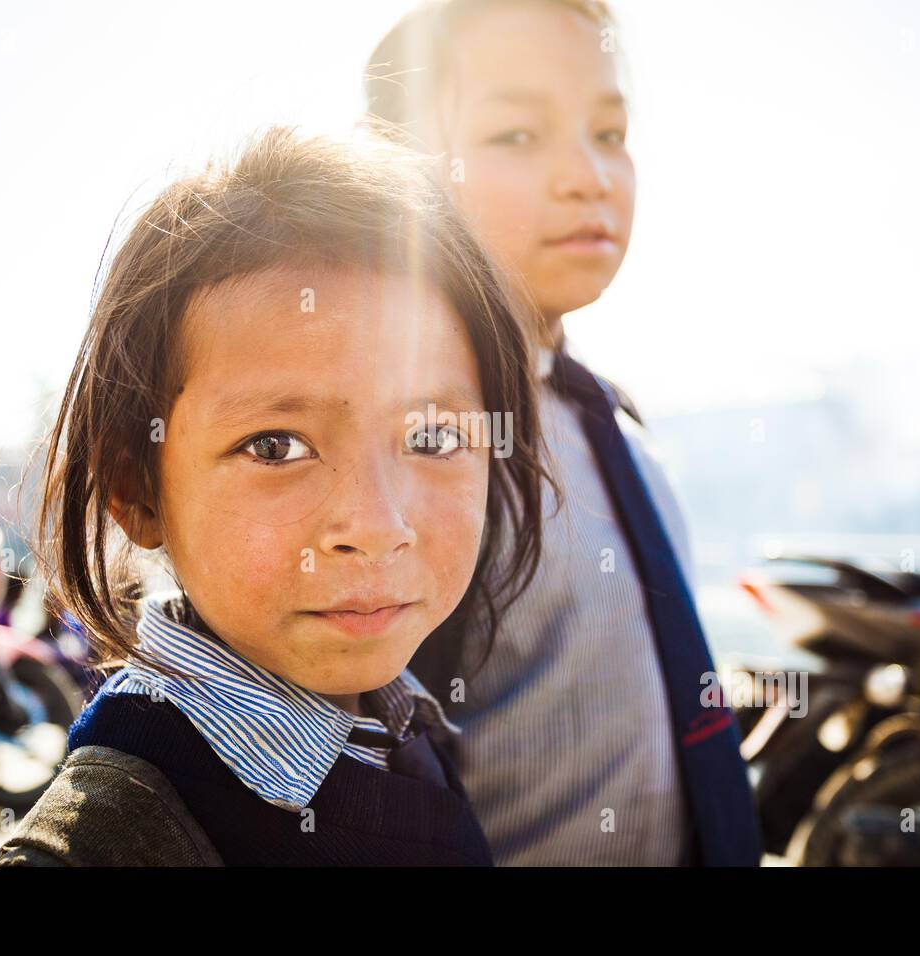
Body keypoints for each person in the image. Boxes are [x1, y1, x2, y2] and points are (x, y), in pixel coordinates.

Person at [0, 126, 551, 865]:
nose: (377, 527)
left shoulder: (401, 733)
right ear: (137, 490)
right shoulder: (99, 848)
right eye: (275, 446)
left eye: (431, 438)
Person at [364, 0, 762, 864]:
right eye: (516, 136)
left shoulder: (616, 423)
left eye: (610, 132)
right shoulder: (405, 455)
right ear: (398, 168)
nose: (589, 175)